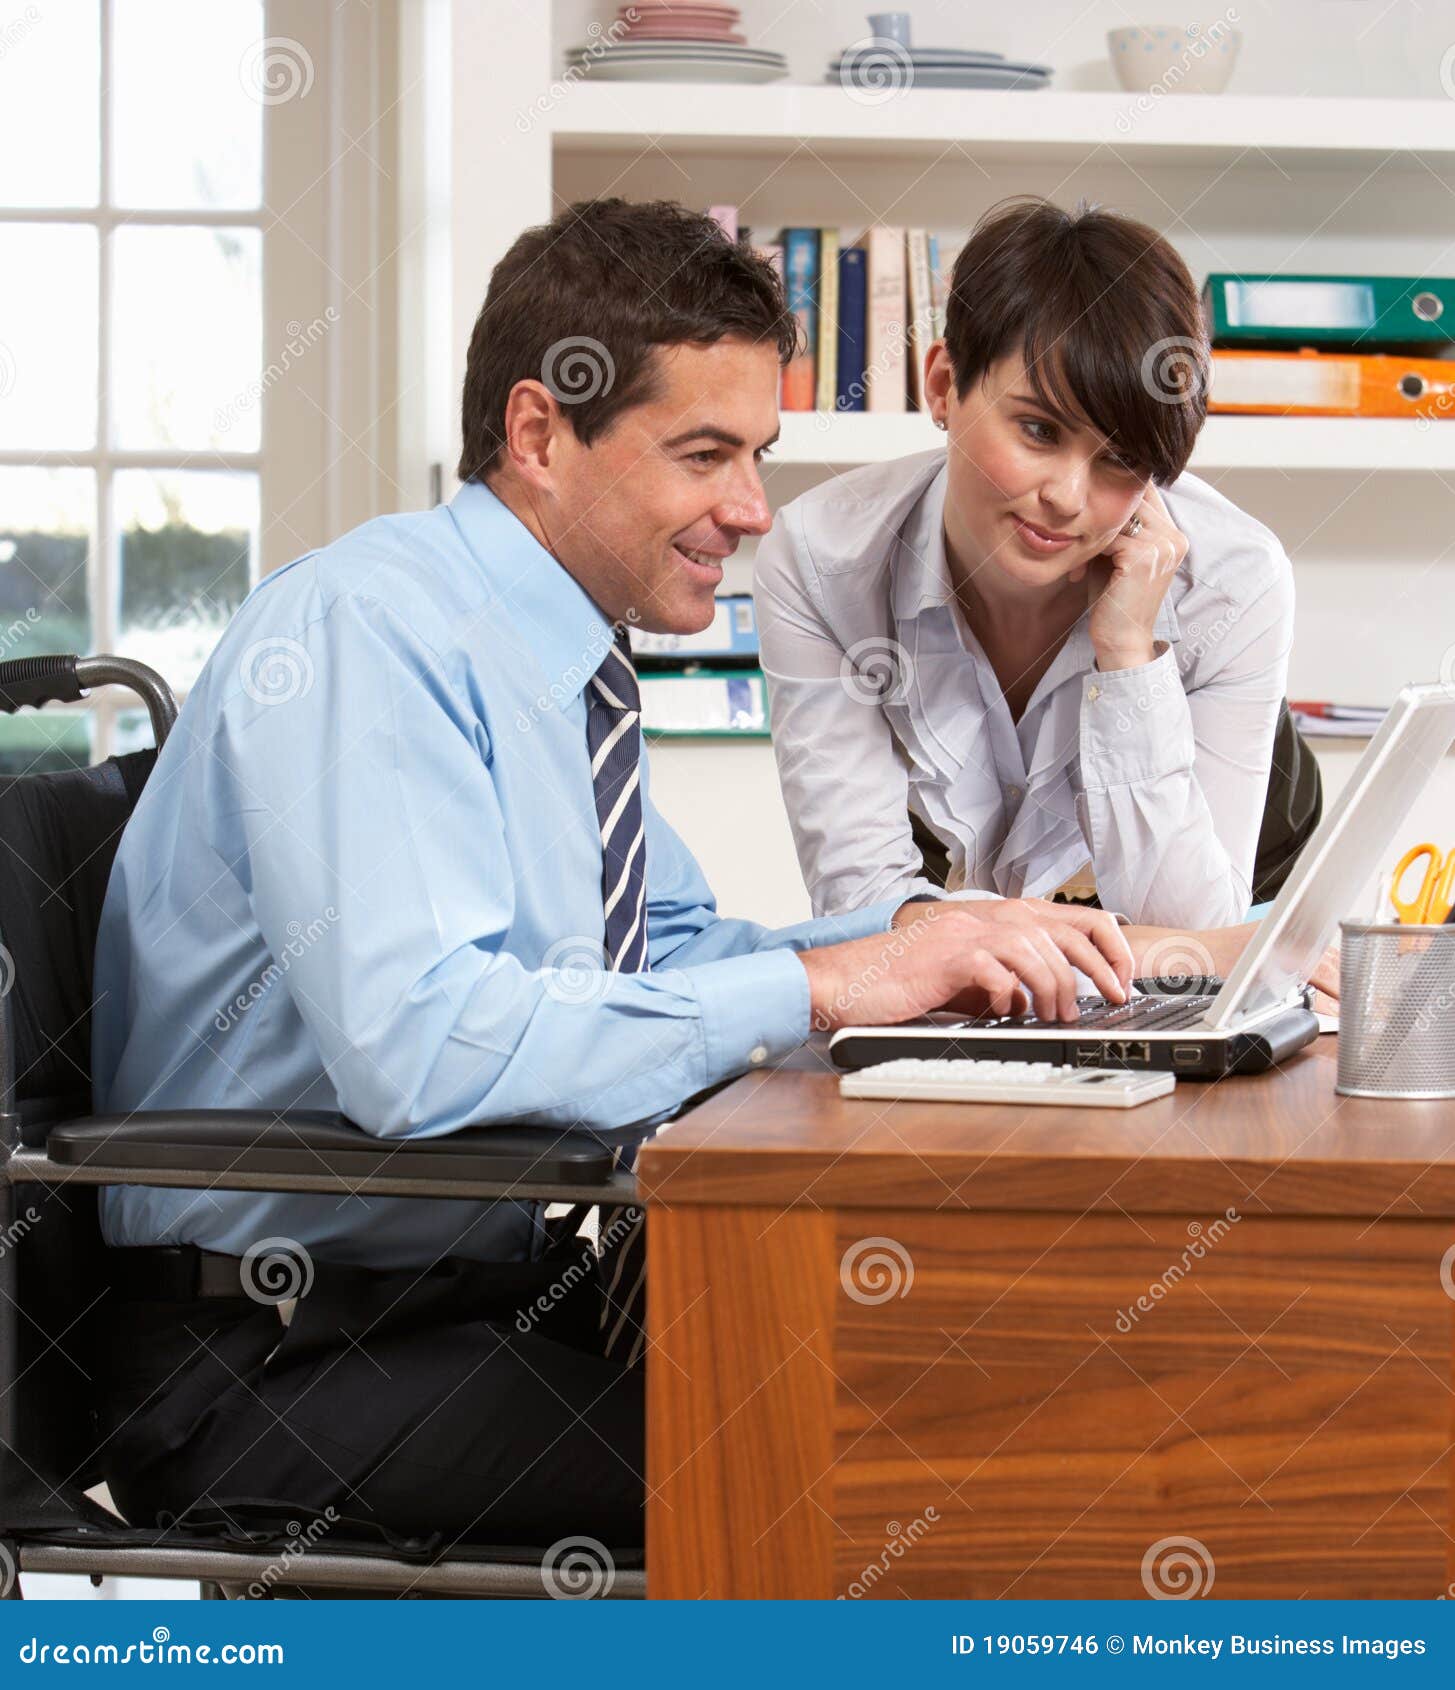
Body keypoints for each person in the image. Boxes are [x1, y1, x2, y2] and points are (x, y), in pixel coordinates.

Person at [89, 197, 1138, 1558]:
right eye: (704, 455)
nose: (751, 510)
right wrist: (829, 985)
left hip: (453, 1305)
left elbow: (671, 944)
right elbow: (418, 1047)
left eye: (756, 456)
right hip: (275, 1356)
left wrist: (930, 937)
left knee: (936, 1383)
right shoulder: (370, 630)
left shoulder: (558, 656)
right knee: (853, 1482)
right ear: (539, 433)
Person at [757, 196, 1313, 934]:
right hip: (979, 885)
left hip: (1231, 869)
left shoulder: (1232, 583)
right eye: (1038, 430)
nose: (1066, 498)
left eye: (1120, 460)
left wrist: (1129, 657)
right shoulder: (821, 561)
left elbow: (1192, 941)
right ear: (943, 386)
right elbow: (859, 906)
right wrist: (1025, 944)